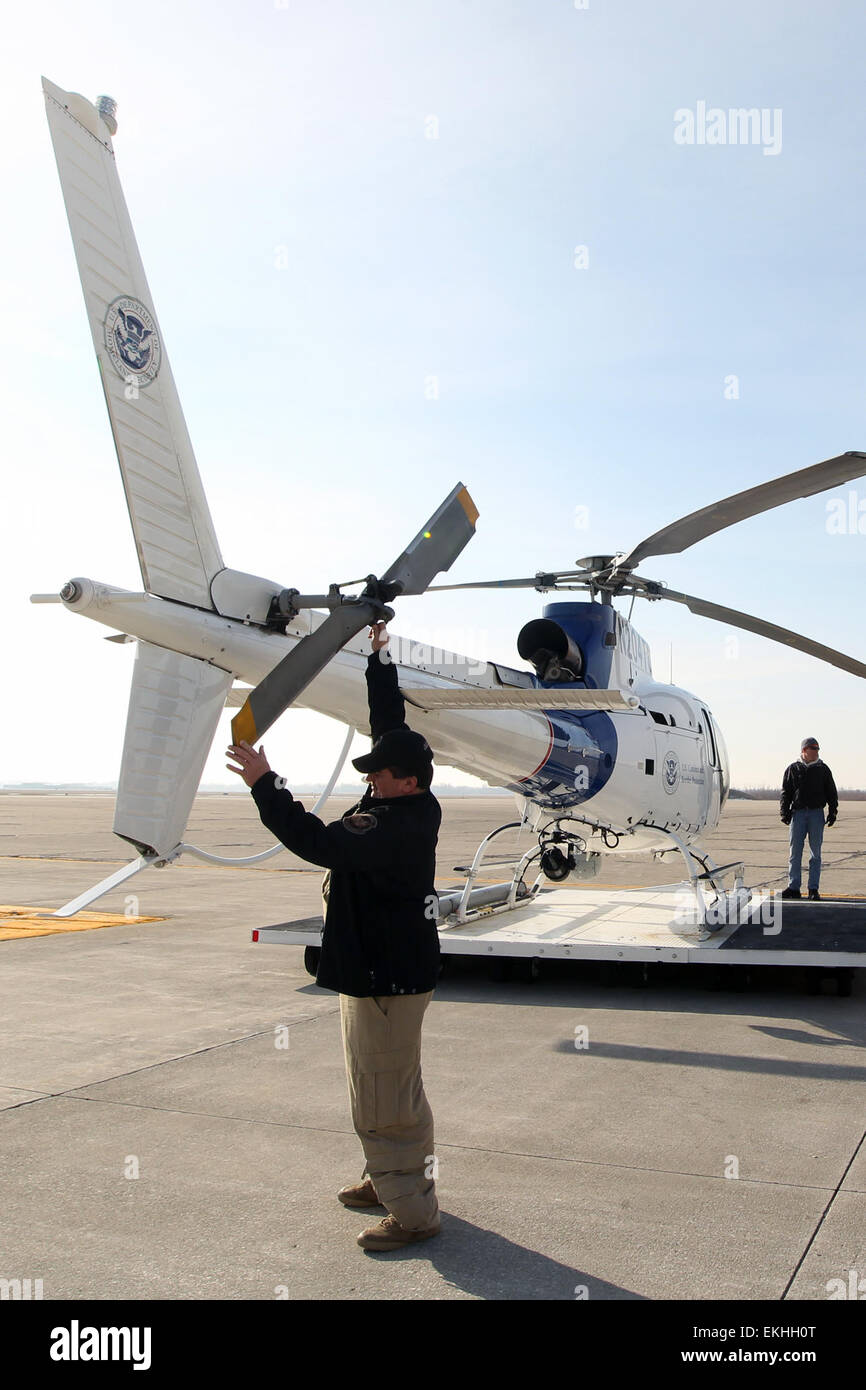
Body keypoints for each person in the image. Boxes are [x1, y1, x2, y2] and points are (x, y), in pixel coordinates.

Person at [226, 622, 441, 1252]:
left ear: (411, 781)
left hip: (384, 979)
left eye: (382, 775)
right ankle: (390, 1179)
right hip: (378, 975)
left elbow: (318, 843)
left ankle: (413, 1213)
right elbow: (388, 730)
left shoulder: (393, 823)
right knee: (387, 1084)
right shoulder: (407, 799)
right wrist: (379, 663)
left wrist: (266, 785)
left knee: (386, 1096)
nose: (370, 779)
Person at [779, 737, 838, 901]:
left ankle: (813, 889)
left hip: (816, 814)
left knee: (815, 854)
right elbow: (786, 792)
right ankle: (793, 887)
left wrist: (833, 812)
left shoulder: (823, 769)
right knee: (795, 853)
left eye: (818, 749)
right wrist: (784, 811)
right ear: (804, 750)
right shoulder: (793, 768)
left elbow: (832, 793)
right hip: (797, 815)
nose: (816, 751)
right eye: (813, 748)